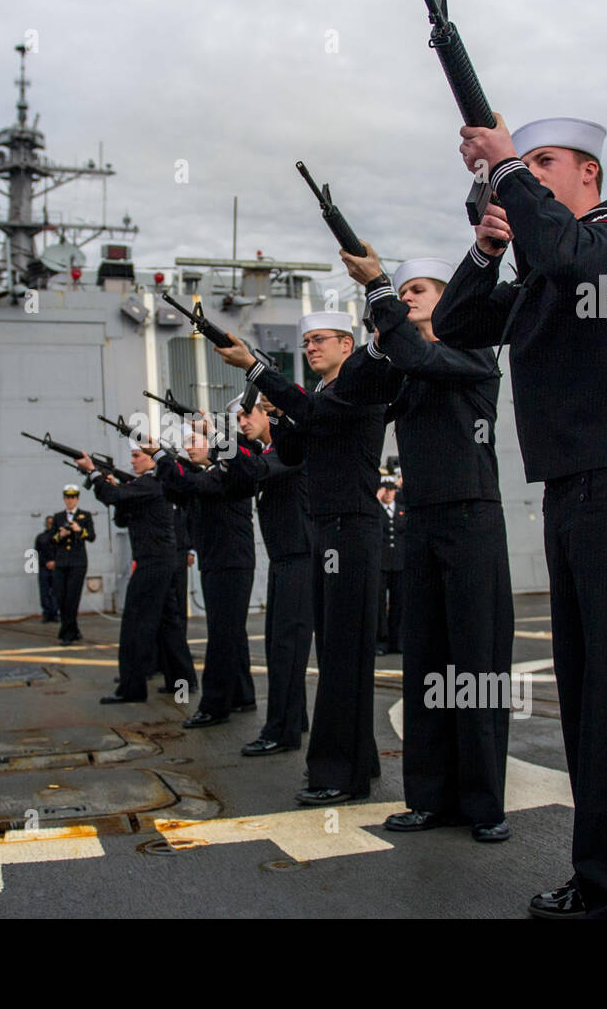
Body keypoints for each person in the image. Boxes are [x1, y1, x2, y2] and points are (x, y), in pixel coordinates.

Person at [436, 115, 607, 918]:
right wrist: (485, 248)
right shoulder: (548, 269)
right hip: (573, 490)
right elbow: (457, 326)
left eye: (547, 162)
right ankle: (604, 880)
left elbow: (565, 255)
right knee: (591, 700)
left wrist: (506, 163)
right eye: (528, 160)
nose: (532, 173)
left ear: (589, 173)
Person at [335, 251, 515, 844]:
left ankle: (485, 803)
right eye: (404, 290)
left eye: (420, 290)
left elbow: (421, 354)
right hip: (423, 522)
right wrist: (376, 321)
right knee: (427, 663)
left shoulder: (471, 353)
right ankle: (431, 796)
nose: (408, 298)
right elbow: (356, 387)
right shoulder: (405, 360)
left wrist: (381, 290)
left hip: (472, 519)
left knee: (478, 664)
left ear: (450, 299)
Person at [216, 312, 386, 805]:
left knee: (342, 659)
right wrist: (274, 415)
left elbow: (307, 422)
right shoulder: (321, 398)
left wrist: (254, 367)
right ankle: (360, 760)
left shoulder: (356, 385)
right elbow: (292, 443)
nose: (310, 347)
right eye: (306, 341)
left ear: (347, 345)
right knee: (336, 655)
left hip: (350, 527)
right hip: (327, 529)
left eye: (319, 340)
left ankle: (340, 774)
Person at [226, 393, 314, 756]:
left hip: (300, 556)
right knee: (280, 645)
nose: (243, 423)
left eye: (248, 415)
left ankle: (280, 731)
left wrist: (223, 442)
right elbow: (239, 482)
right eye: (238, 420)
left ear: (267, 413)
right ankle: (294, 720)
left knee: (285, 648)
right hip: (285, 559)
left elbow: (257, 472)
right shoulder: (266, 452)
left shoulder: (286, 447)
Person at [153, 423, 257, 728]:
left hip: (229, 562)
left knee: (222, 634)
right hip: (221, 561)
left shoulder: (224, 473)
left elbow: (193, 486)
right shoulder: (209, 473)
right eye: (185, 442)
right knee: (232, 633)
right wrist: (165, 463)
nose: (188, 447)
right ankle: (242, 694)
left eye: (194, 441)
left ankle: (214, 706)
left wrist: (160, 456)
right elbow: (179, 489)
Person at [74, 443, 176, 702]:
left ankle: (132, 689)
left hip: (152, 563)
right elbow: (121, 516)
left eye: (136, 456)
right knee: (167, 625)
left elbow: (113, 497)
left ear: (153, 461)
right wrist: (109, 483)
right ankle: (179, 680)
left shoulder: (151, 484)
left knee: (135, 624)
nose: (131, 462)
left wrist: (94, 474)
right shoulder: (146, 486)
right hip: (157, 562)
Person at [155, 475, 199, 696]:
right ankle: (166, 666)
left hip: (179, 553)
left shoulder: (181, 502)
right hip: (165, 555)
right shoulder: (161, 498)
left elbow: (192, 522)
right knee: (166, 612)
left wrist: (191, 549)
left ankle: (180, 673)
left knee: (177, 609)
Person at [49, 484, 96, 646]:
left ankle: (66, 633)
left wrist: (79, 529)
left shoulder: (85, 516)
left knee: (72, 598)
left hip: (78, 562)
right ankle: (74, 630)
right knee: (61, 597)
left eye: (72, 497)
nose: (69, 501)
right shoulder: (58, 517)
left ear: (77, 499)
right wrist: (60, 534)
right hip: (62, 562)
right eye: (67, 498)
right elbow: (51, 540)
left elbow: (91, 536)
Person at [376, 476, 405, 657]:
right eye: (385, 489)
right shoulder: (377, 511)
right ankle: (382, 641)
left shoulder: (402, 510)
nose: (388, 493)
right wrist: (377, 499)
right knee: (379, 605)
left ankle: (398, 640)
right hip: (381, 564)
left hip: (399, 564)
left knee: (399, 604)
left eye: (392, 489)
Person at [35, 515, 60, 622]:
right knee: (44, 591)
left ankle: (55, 613)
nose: (50, 524)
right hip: (43, 567)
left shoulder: (59, 537)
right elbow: (37, 552)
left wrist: (55, 562)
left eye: (51, 522)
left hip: (56, 567)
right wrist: (46, 563)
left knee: (55, 591)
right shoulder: (40, 537)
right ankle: (47, 614)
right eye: (48, 523)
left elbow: (62, 552)